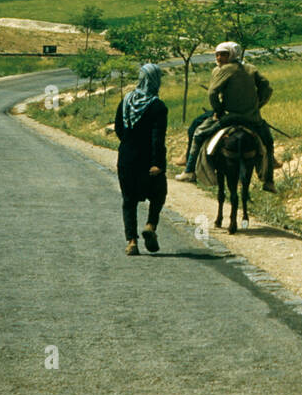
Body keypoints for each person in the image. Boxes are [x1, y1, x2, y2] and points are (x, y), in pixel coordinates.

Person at [176, 42, 276, 191]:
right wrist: (257, 105)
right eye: (217, 54)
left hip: (229, 116)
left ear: (232, 55)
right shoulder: (252, 69)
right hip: (251, 118)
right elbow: (267, 89)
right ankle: (269, 180)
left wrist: (218, 110)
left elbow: (212, 93)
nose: (219, 57)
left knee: (198, 133)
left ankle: (190, 171)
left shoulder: (221, 70)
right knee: (268, 141)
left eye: (224, 54)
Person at [114, 63, 168, 256]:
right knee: (159, 194)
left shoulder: (126, 100)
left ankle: (131, 242)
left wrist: (129, 145)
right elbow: (157, 138)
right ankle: (151, 225)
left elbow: (119, 128)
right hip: (148, 159)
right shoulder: (157, 106)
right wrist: (158, 163)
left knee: (128, 200)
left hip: (126, 157)